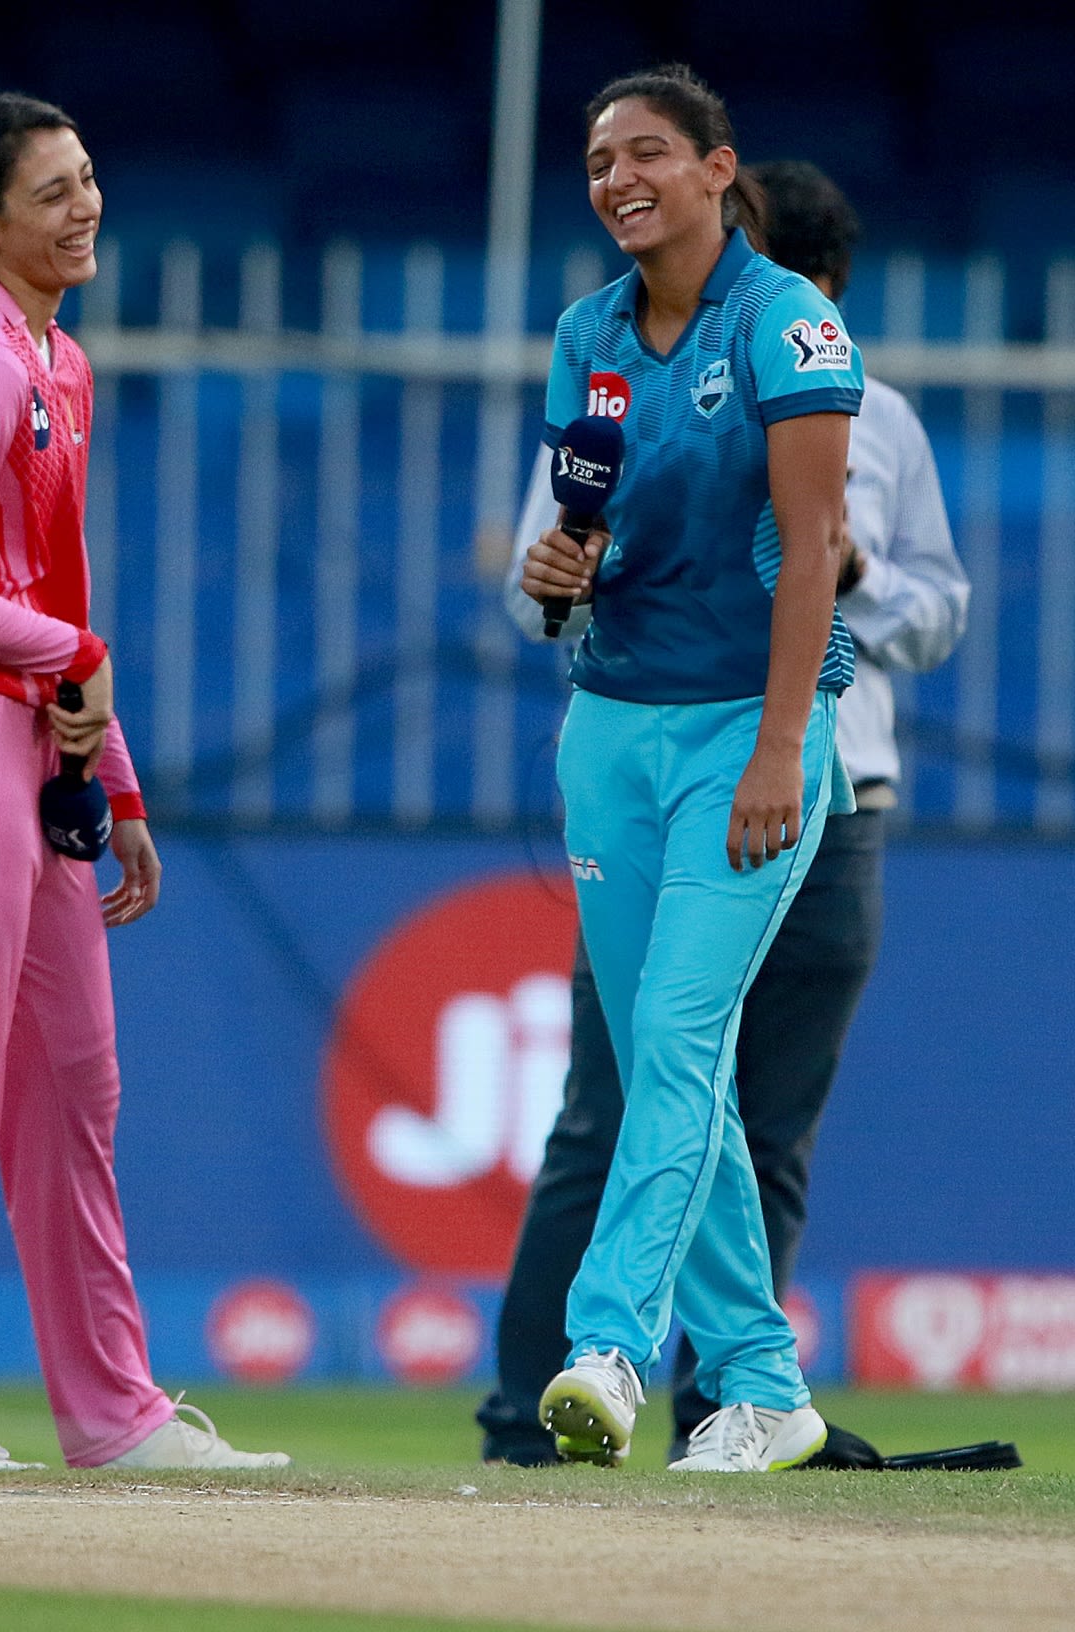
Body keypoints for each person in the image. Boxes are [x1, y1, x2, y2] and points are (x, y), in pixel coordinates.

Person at [479, 136, 969, 1468]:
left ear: (718, 182)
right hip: (622, 727)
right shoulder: (592, 338)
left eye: (649, 156)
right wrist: (556, 577)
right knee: (654, 1069)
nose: (618, 179)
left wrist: (776, 741)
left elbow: (882, 583)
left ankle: (606, 1349)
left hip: (785, 754)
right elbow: (553, 575)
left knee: (693, 1053)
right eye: (597, 159)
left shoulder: (814, 356)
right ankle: (761, 1381)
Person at [0, 94, 289, 1473]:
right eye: (52, 193)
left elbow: (54, 592)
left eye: (89, 179)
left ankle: (111, 1412)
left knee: (74, 1087)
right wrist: (73, 657)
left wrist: (123, 781)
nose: (84, 206)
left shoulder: (59, 362)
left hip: (26, 741)